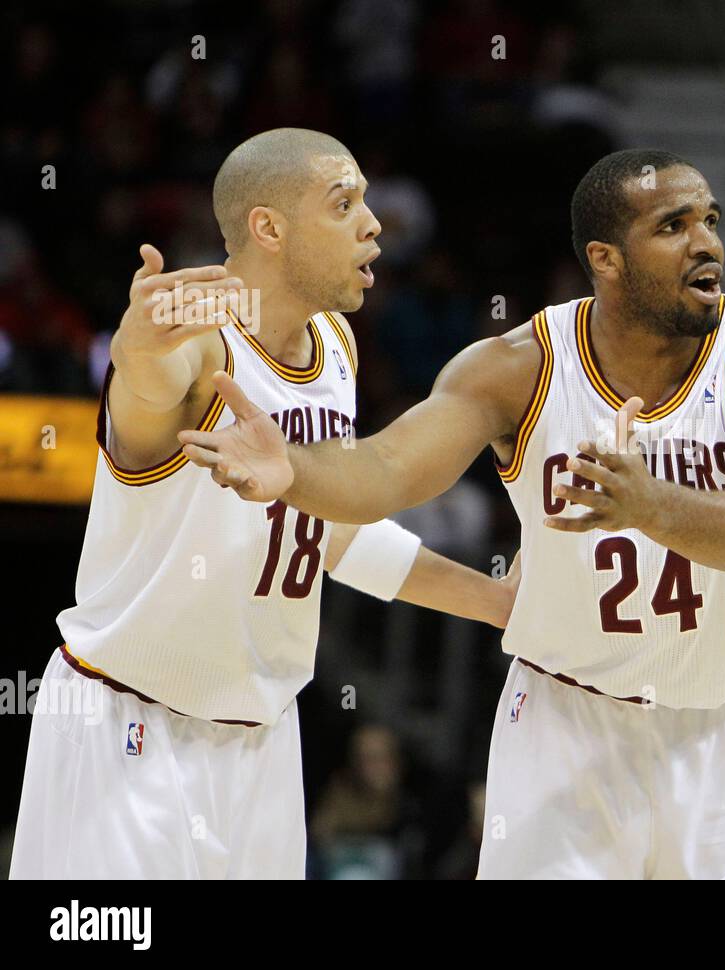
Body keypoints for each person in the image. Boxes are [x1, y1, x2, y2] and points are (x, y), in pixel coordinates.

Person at [180, 148, 725, 879]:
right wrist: (293, 470)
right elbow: (387, 470)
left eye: (710, 220)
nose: (706, 241)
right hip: (565, 723)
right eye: (673, 226)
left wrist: (648, 502)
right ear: (605, 259)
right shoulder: (517, 367)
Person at [11, 128, 519, 880]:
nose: (374, 225)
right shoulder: (201, 345)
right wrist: (139, 351)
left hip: (263, 745)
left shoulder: (336, 346)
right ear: (269, 227)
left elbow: (330, 537)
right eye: (343, 204)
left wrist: (498, 604)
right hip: (130, 727)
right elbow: (148, 394)